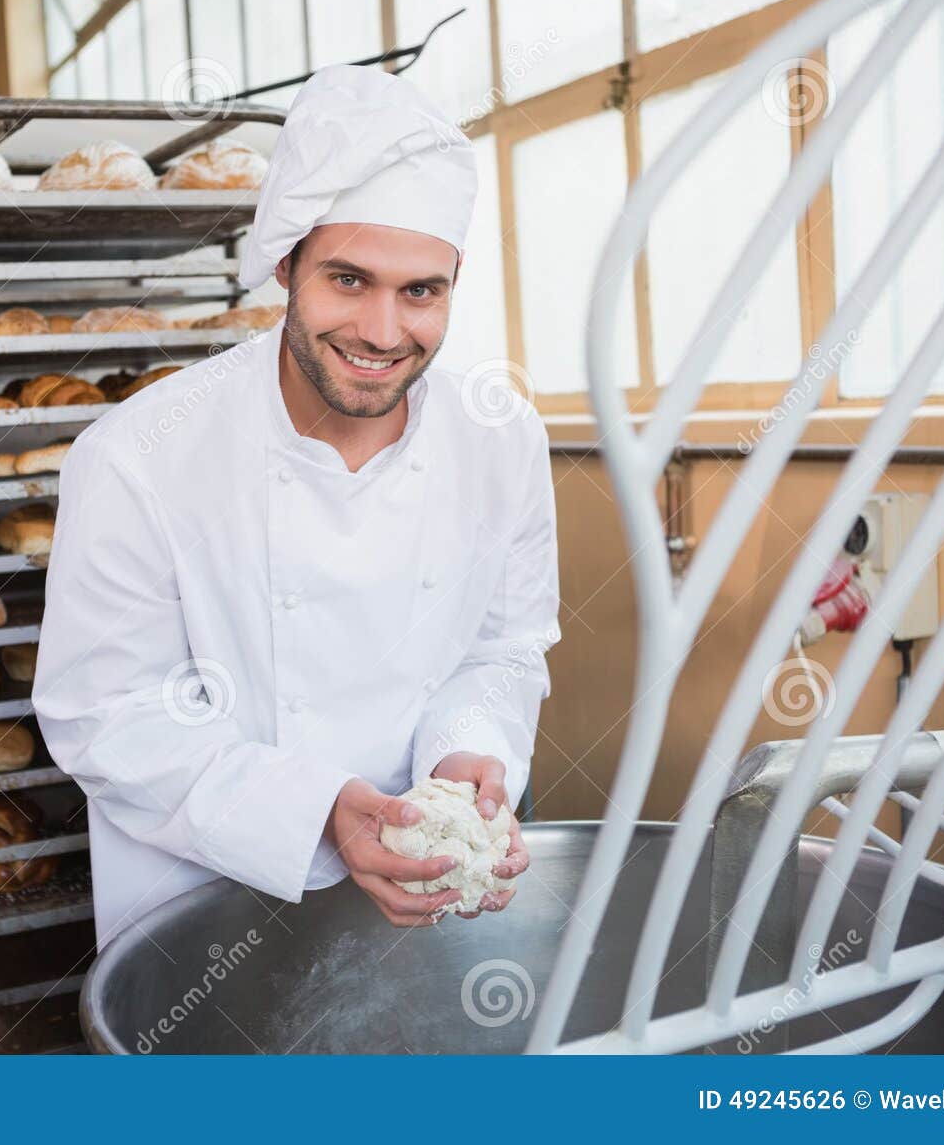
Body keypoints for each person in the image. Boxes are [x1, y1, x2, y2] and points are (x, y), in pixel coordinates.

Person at [33, 63, 560, 949]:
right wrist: (320, 812)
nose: (385, 333)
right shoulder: (141, 454)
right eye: (348, 280)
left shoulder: (499, 437)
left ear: (455, 278)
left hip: (431, 892)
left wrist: (468, 751)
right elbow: (107, 712)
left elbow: (504, 646)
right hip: (208, 899)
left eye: (420, 290)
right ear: (286, 263)